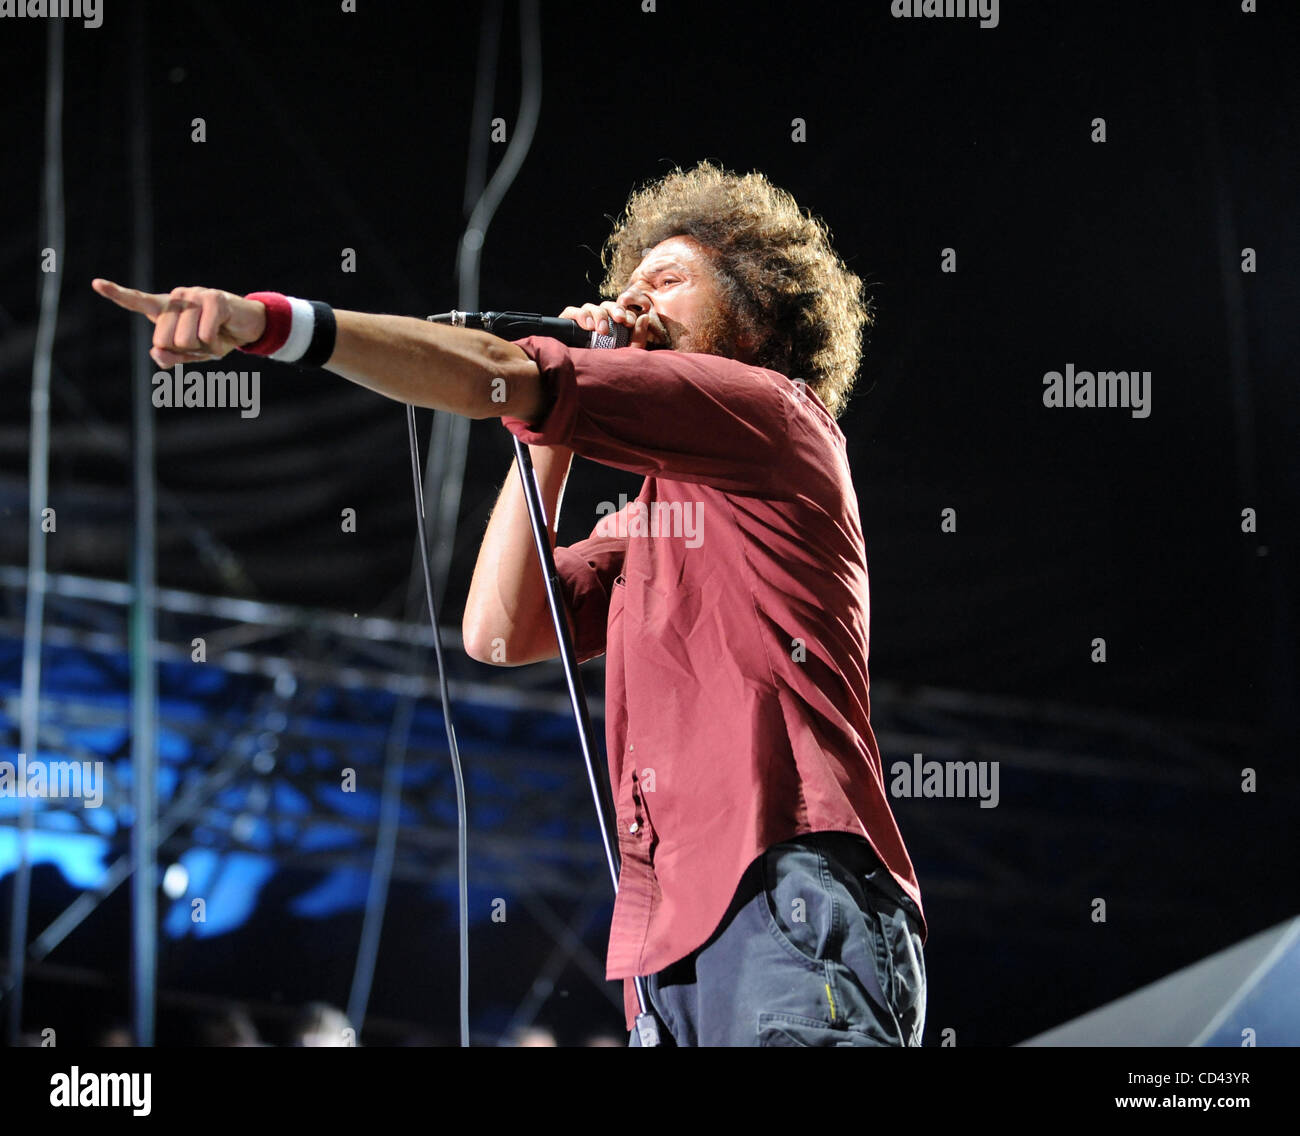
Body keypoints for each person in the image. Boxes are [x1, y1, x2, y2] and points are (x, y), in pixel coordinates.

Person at [93, 160, 927, 1048]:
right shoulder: (656, 519)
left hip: (792, 895)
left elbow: (496, 370)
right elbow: (499, 632)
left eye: (670, 281)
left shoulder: (775, 417)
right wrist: (548, 441)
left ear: (756, 310)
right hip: (673, 952)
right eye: (629, 284)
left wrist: (268, 325)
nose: (635, 300)